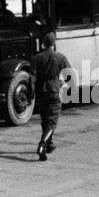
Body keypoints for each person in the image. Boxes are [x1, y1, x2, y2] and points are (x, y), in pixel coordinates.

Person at [31, 34, 71, 162]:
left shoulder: (36, 58)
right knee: (52, 121)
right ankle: (43, 144)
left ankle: (49, 144)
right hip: (54, 90)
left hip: (41, 91)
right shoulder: (60, 57)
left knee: (45, 119)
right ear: (54, 43)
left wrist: (31, 93)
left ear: (43, 43)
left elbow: (32, 77)